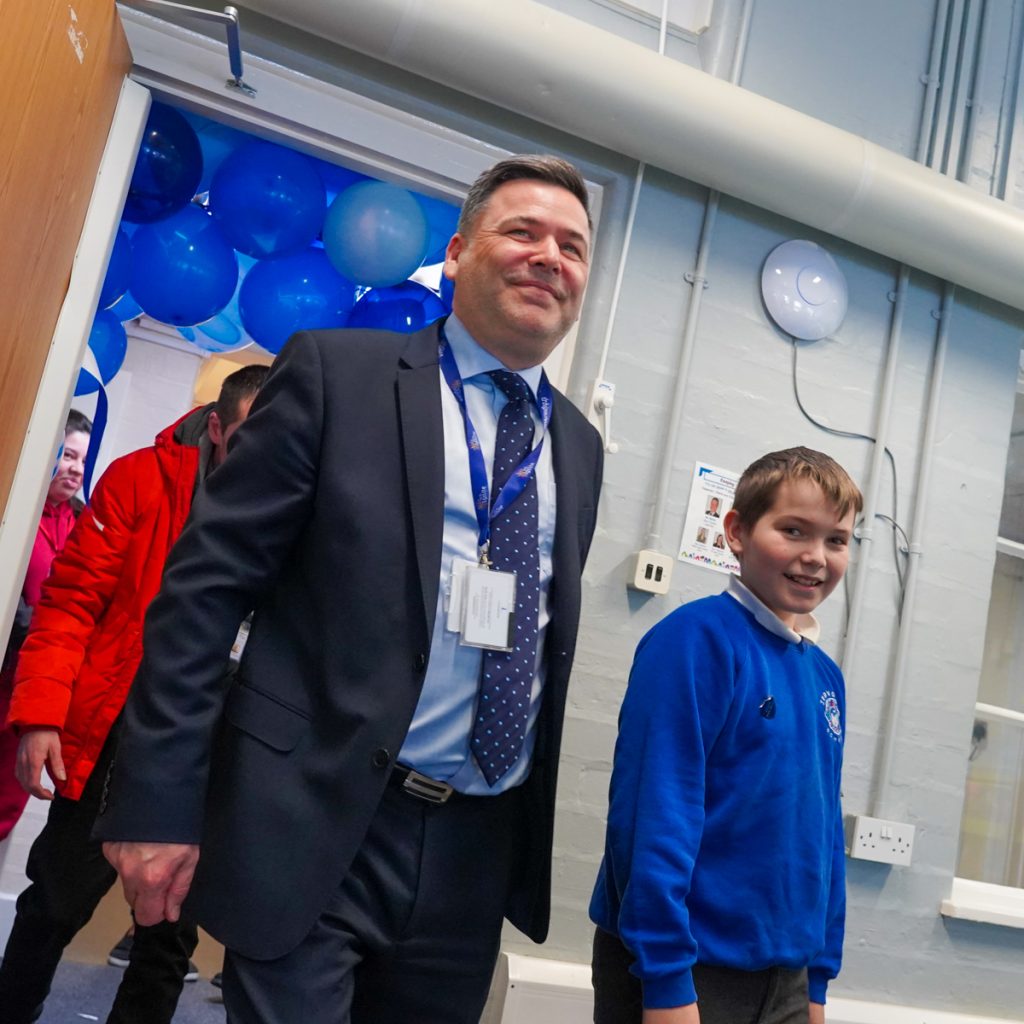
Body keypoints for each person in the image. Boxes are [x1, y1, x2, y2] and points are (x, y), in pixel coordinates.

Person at [96, 154, 604, 1024]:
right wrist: (155, 803)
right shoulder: (337, 375)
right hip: (318, 815)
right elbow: (203, 597)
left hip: (474, 847)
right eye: (521, 231)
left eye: (572, 245)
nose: (548, 257)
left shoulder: (579, 448)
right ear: (455, 252)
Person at [0, 364, 268, 1024]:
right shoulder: (140, 481)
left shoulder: (292, 513)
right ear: (214, 427)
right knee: (54, 904)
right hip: (116, 737)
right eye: (249, 444)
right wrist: (40, 715)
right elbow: (69, 604)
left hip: (214, 753)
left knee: (167, 938)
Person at [590, 447, 862, 1024]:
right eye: (793, 531)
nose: (815, 558)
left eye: (836, 541)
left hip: (786, 976)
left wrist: (816, 980)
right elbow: (653, 813)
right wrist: (665, 984)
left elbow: (822, 836)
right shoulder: (693, 642)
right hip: (683, 972)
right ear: (736, 532)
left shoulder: (824, 676)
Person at [0, 410, 91, 841]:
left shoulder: (82, 523)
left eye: (82, 461)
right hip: (7, 666)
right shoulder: (15, 506)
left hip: (35, 688)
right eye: (68, 455)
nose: (75, 468)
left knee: (8, 800)